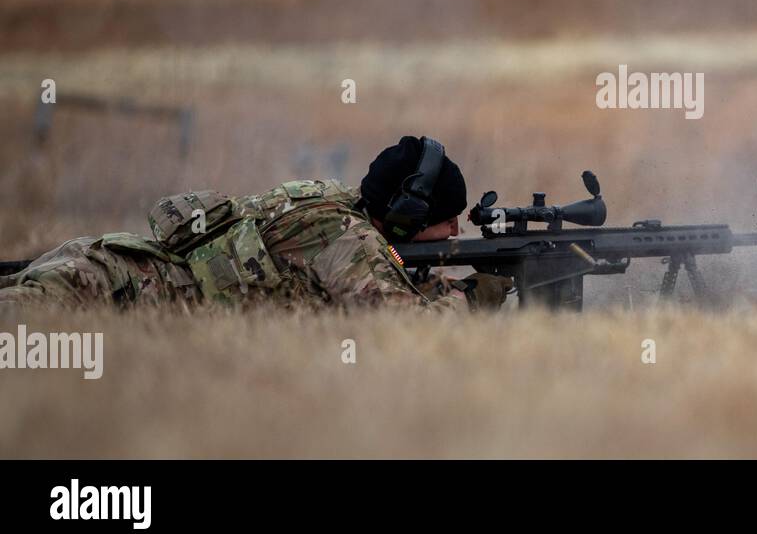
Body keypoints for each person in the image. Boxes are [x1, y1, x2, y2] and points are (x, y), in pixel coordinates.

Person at [0, 136, 511, 312]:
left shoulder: (331, 204)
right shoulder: (351, 241)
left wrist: (432, 282)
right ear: (405, 215)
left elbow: (353, 289)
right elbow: (404, 332)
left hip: (100, 264)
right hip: (103, 286)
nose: (454, 235)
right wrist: (466, 300)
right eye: (445, 222)